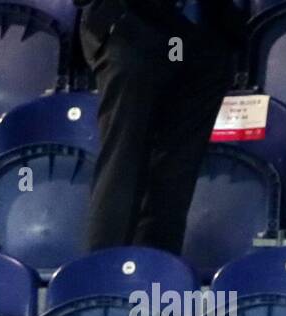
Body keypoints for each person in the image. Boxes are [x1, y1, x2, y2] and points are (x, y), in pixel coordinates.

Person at [76, 0, 246, 254]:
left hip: (207, 33)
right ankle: (103, 280)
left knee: (176, 174)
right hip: (131, 28)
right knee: (122, 165)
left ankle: (154, 277)